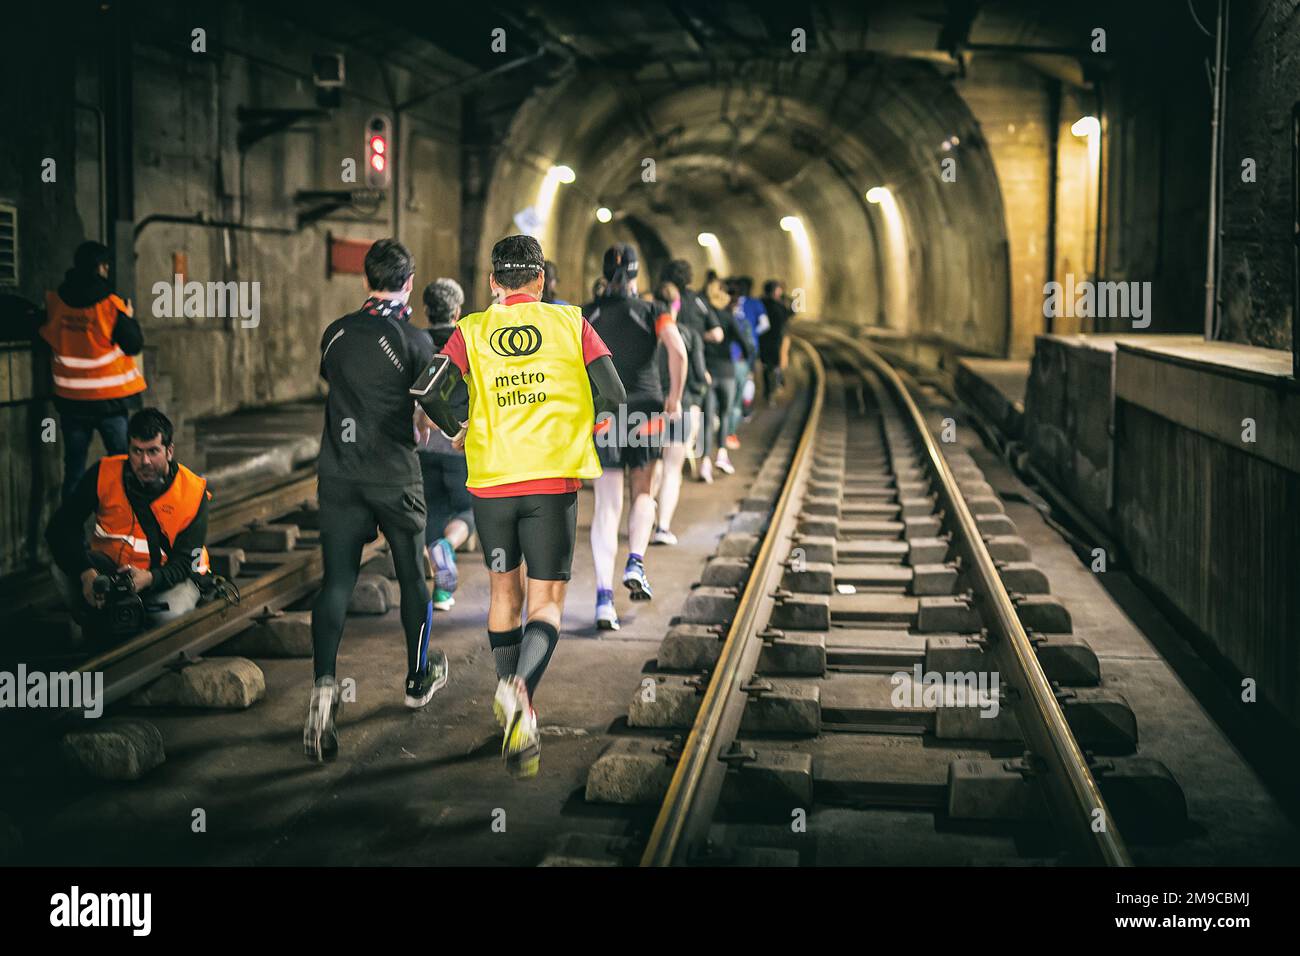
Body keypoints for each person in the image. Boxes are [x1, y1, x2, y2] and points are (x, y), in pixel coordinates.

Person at [414, 234, 625, 778]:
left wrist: (457, 425)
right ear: (540, 280)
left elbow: (428, 388)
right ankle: (519, 690)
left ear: (492, 283)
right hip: (551, 482)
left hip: (491, 482)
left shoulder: (471, 329)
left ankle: (520, 715)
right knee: (547, 603)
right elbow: (614, 390)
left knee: (503, 593)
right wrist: (589, 414)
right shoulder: (569, 322)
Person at [305, 238, 448, 763]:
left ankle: (324, 688)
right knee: (413, 575)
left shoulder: (335, 333)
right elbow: (430, 413)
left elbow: (339, 381)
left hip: (340, 475)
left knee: (338, 579)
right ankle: (415, 679)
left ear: (365, 281)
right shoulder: (414, 341)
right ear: (409, 283)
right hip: (394, 476)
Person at [584, 243, 687, 630]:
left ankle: (603, 599)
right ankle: (636, 562)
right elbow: (678, 351)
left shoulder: (586, 313)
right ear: (636, 274)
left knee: (606, 509)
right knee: (644, 495)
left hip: (605, 414)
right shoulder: (654, 311)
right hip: (646, 412)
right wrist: (673, 398)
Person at [46, 408, 207, 639]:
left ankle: (141, 629)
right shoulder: (104, 473)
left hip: (165, 579)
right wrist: (85, 572)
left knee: (170, 615)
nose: (145, 461)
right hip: (112, 574)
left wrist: (150, 578)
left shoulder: (192, 491)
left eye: (153, 451)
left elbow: (186, 563)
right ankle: (90, 617)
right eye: (137, 451)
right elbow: (60, 528)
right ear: (128, 449)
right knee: (60, 564)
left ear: (169, 451)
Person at [40, 241, 147, 500]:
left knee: (74, 470)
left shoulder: (56, 302)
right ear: (100, 267)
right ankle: (124, 528)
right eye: (105, 265)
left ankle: (68, 536)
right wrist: (129, 316)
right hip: (108, 402)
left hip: (71, 404)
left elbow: (45, 335)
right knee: (125, 466)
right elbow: (134, 344)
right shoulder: (110, 305)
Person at [417, 278, 474, 612]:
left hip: (423, 449)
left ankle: (440, 593)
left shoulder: (417, 341)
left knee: (433, 512)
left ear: (426, 310)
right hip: (459, 445)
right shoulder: (466, 343)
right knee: (466, 511)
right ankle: (449, 547)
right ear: (457, 311)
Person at [650, 280, 708, 546]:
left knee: (653, 467)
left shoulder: (645, 332)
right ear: (677, 305)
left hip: (648, 409)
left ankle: (646, 515)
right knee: (673, 469)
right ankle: (663, 527)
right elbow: (697, 374)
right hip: (679, 407)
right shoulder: (688, 334)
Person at [660, 259, 723, 483]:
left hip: (660, 370)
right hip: (694, 364)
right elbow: (717, 333)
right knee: (702, 410)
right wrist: (700, 337)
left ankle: (671, 452)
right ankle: (699, 455)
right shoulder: (698, 301)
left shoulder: (661, 301)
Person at [702, 276, 754, 476]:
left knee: (708, 417)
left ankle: (705, 461)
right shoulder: (729, 318)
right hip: (727, 373)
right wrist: (746, 361)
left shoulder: (706, 317)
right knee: (725, 413)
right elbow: (745, 344)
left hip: (709, 372)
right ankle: (721, 454)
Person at [725, 276, 766, 448]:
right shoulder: (753, 306)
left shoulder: (720, 314)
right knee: (736, 402)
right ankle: (731, 433)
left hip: (722, 363)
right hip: (741, 360)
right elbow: (765, 325)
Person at [759, 279, 792, 402]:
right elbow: (789, 314)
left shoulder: (761, 303)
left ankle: (769, 391)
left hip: (764, 340)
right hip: (776, 340)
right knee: (774, 366)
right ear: (774, 291)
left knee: (767, 366)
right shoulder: (778, 305)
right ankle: (773, 389)